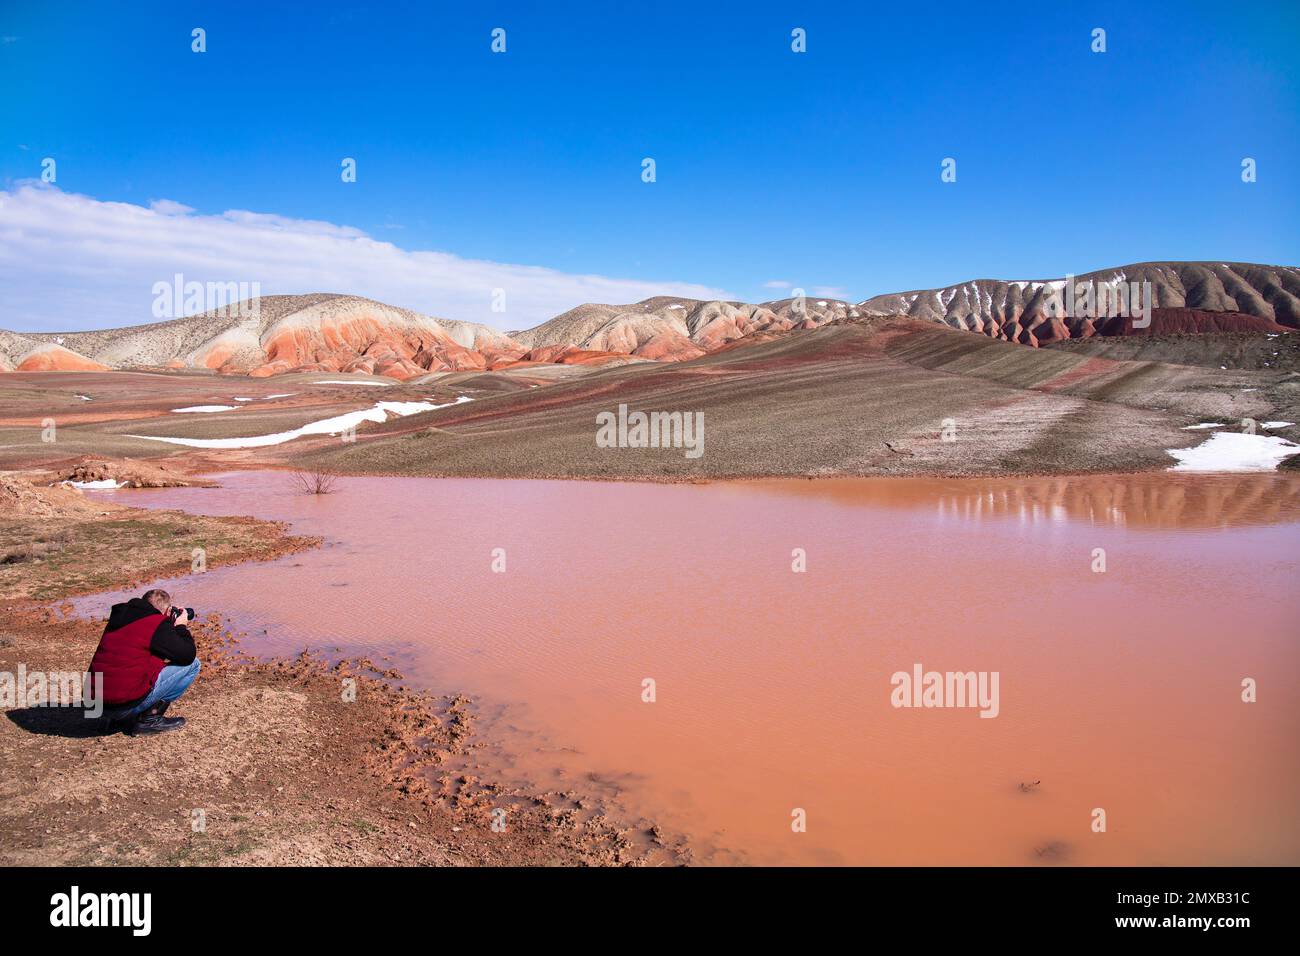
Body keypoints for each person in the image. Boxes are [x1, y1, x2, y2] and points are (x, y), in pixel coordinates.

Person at [89, 588, 200, 735]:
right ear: (167, 611)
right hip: (122, 706)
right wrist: (180, 626)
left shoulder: (120, 618)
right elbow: (187, 655)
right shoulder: (155, 623)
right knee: (193, 665)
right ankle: (149, 719)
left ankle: (112, 720)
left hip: (96, 705)